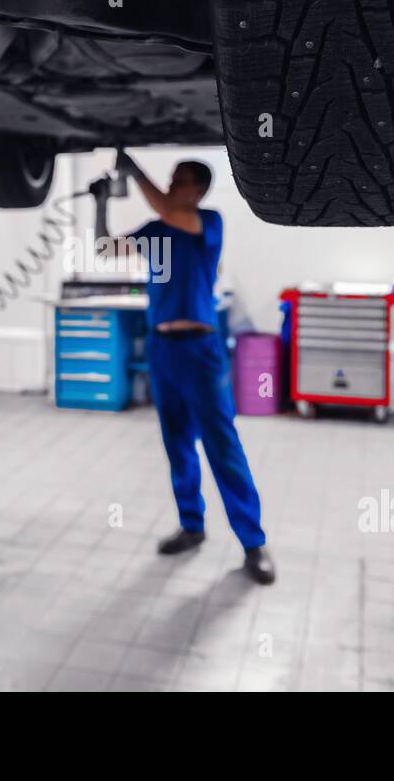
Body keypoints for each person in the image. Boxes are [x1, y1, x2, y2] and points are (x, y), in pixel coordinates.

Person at [95, 151, 275, 584]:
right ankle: (192, 526)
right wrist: (100, 202)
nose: (172, 186)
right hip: (163, 349)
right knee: (177, 444)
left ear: (198, 191)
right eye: (170, 180)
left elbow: (167, 207)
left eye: (179, 181)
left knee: (221, 446)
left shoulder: (206, 224)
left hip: (200, 351)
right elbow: (105, 248)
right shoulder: (158, 230)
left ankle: (254, 543)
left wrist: (133, 169)